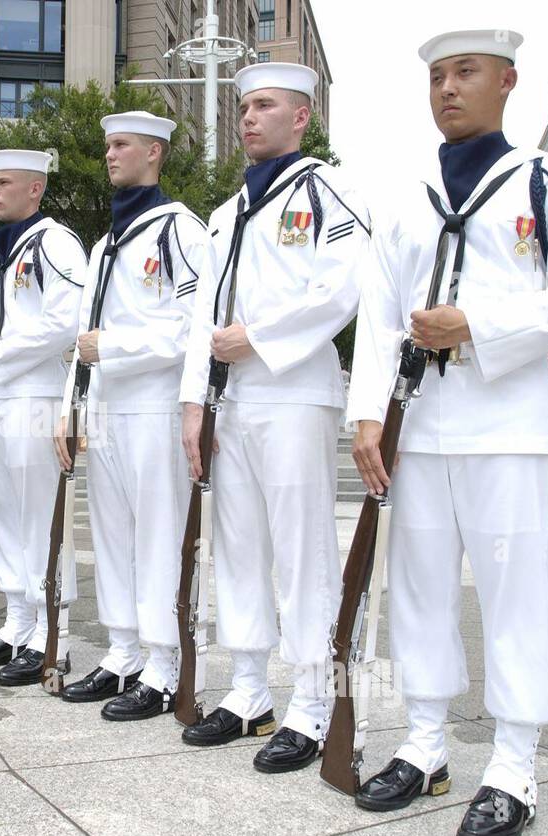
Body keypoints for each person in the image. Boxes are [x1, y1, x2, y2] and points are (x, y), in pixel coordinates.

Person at [348, 28, 548, 836]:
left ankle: (513, 763)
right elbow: (380, 312)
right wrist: (366, 414)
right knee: (419, 591)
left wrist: (478, 323)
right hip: (419, 426)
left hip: (510, 424)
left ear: (508, 82)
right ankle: (425, 743)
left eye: (466, 73)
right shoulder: (405, 194)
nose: (448, 88)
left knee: (515, 597)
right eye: (437, 76)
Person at [178, 62, 371, 766]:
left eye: (265, 106)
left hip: (293, 391)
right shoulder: (227, 212)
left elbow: (344, 286)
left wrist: (258, 336)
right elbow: (203, 315)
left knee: (300, 551)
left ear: (302, 118)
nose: (249, 118)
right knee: (239, 549)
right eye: (244, 107)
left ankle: (314, 701)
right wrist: (192, 402)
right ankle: (250, 690)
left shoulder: (328, 189)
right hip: (232, 399)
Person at [53, 111, 211, 720]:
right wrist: (71, 407)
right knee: (114, 535)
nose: (111, 155)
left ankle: (164, 664)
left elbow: (191, 328)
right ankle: (122, 652)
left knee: (159, 534)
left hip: (153, 405)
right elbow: (82, 336)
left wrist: (113, 349)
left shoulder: (180, 231)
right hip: (107, 407)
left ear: (154, 153)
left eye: (122, 146)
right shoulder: (105, 242)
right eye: (108, 146)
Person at [0, 149, 87, 685]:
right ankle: (16, 624)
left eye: (4, 182)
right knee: (5, 518)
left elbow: (65, 322)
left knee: (39, 519)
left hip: (33, 396)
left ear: (35, 189)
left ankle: (53, 634)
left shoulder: (56, 243)